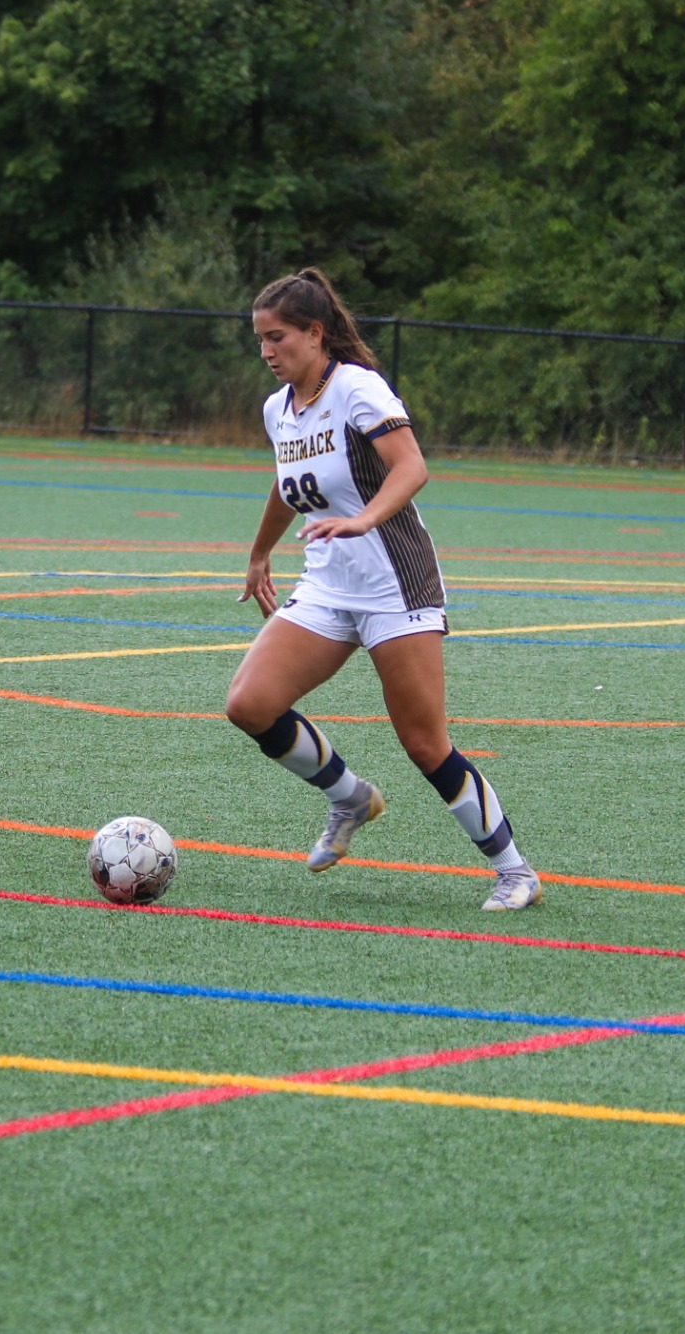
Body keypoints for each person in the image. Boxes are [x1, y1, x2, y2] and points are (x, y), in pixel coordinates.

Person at [226, 268, 541, 911]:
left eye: (277, 337)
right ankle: (349, 797)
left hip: (395, 583)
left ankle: (516, 873)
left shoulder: (357, 388)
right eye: (260, 339)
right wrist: (259, 553)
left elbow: (411, 466)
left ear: (315, 334)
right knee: (249, 703)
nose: (266, 351)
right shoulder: (278, 408)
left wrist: (365, 518)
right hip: (328, 585)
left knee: (425, 744)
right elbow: (289, 483)